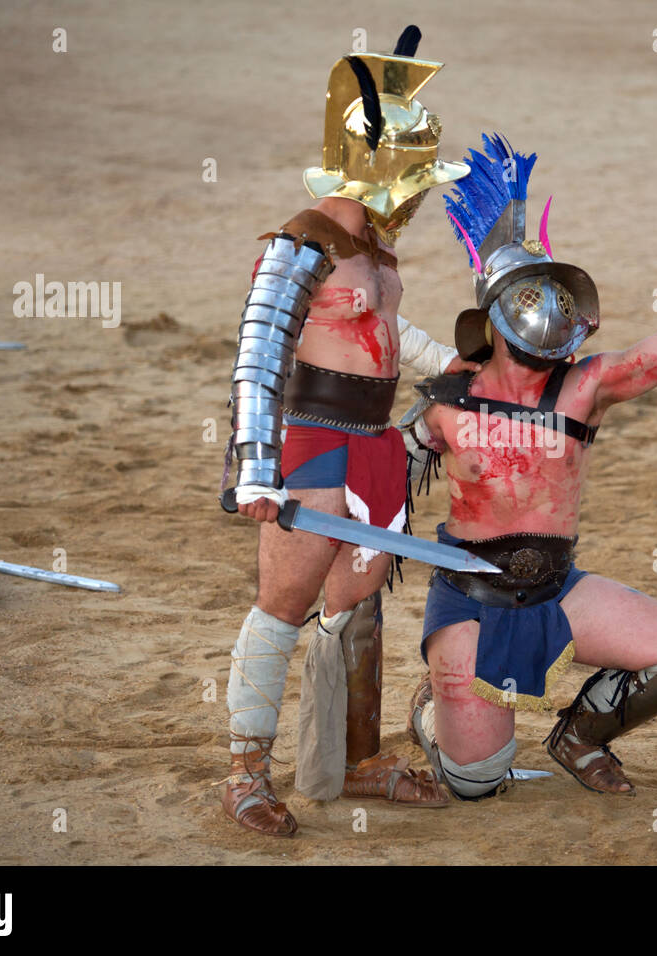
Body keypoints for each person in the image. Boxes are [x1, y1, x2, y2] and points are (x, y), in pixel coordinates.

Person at [400, 134, 657, 799]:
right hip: (473, 603)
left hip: (557, 592)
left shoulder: (586, 387)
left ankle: (580, 734)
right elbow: (380, 488)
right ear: (494, 322)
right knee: (474, 784)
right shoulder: (444, 408)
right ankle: (433, 711)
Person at [220, 27, 477, 836]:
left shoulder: (374, 245)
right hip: (314, 440)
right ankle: (246, 771)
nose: (418, 193)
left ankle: (353, 757)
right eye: (409, 175)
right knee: (283, 605)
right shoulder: (302, 243)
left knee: (357, 603)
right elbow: (259, 356)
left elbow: (389, 333)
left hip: (372, 448)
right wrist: (257, 469)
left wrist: (455, 366)